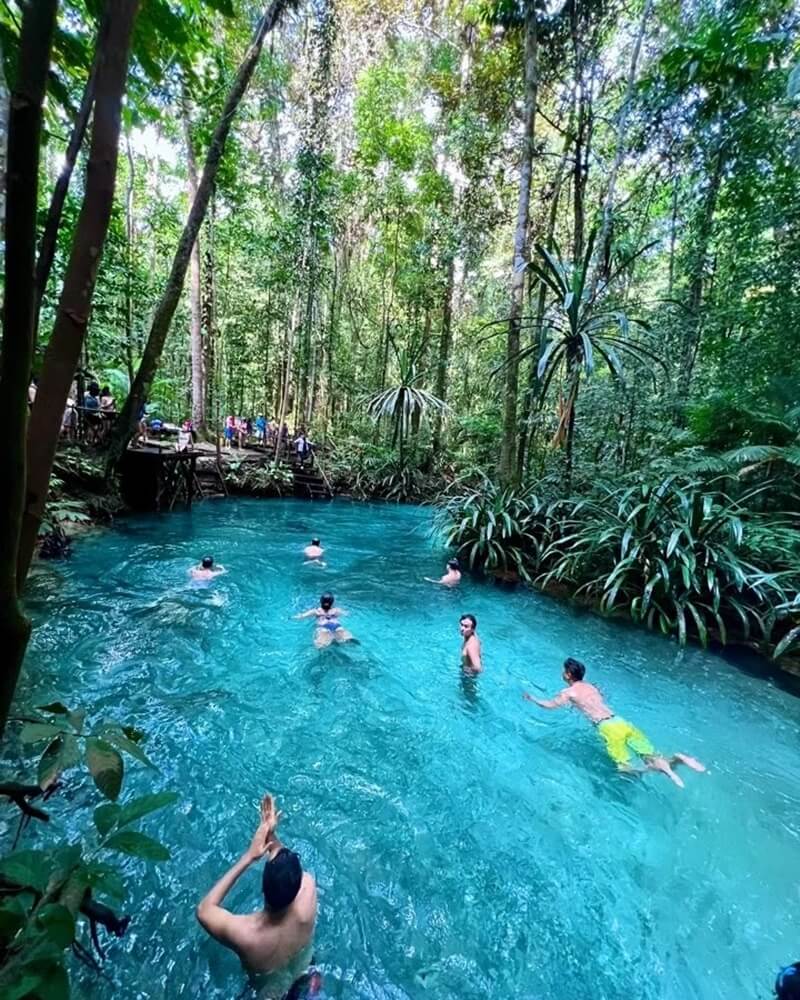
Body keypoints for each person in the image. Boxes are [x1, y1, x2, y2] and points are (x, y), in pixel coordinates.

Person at [522, 658, 706, 788]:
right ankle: (676, 759)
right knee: (650, 755)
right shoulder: (591, 686)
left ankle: (655, 769)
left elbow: (550, 706)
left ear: (569, 675)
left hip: (608, 728)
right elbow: (598, 700)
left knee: (625, 769)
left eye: (564, 671)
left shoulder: (569, 692)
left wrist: (532, 698)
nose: (563, 674)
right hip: (621, 721)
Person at [196, 793, 318, 989]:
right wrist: (271, 834)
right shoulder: (308, 890)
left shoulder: (246, 934)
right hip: (306, 971)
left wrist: (249, 857)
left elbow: (203, 909)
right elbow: (290, 871)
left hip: (271, 991)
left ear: (262, 888)